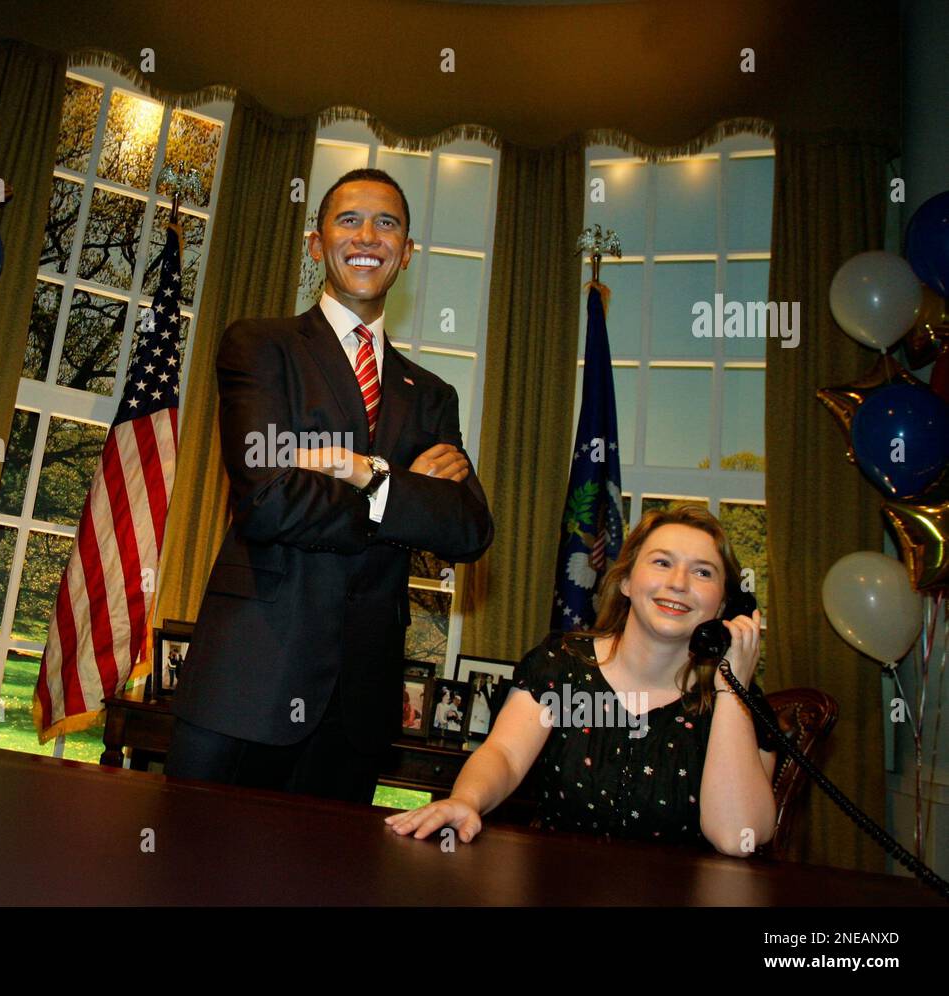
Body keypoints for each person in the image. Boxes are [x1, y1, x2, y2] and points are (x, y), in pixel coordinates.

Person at [164, 168, 494, 804]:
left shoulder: (431, 396)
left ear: (406, 254)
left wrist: (361, 473)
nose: (367, 235)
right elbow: (267, 500)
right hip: (248, 687)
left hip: (356, 710)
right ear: (316, 243)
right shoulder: (261, 347)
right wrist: (398, 494)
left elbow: (468, 530)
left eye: (387, 223)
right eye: (349, 220)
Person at [385, 505, 778, 857]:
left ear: (725, 605)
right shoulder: (560, 666)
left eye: (703, 572)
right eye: (661, 562)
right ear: (625, 582)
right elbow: (503, 754)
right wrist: (467, 800)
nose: (678, 582)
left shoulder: (741, 704)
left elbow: (735, 836)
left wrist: (732, 691)